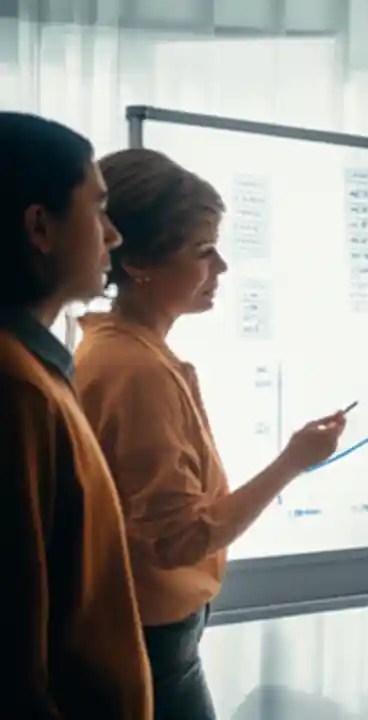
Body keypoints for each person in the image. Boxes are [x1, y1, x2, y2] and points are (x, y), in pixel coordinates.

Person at [73, 148, 350, 720]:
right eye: (202, 251)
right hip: (156, 644)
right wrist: (292, 462)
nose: (220, 267)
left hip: (154, 638)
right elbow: (179, 539)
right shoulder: (134, 369)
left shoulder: (123, 352)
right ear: (139, 264)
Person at [0, 112, 152, 718]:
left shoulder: (34, 370)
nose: (113, 236)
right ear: (40, 226)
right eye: (97, 209)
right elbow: (15, 648)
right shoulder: (15, 389)